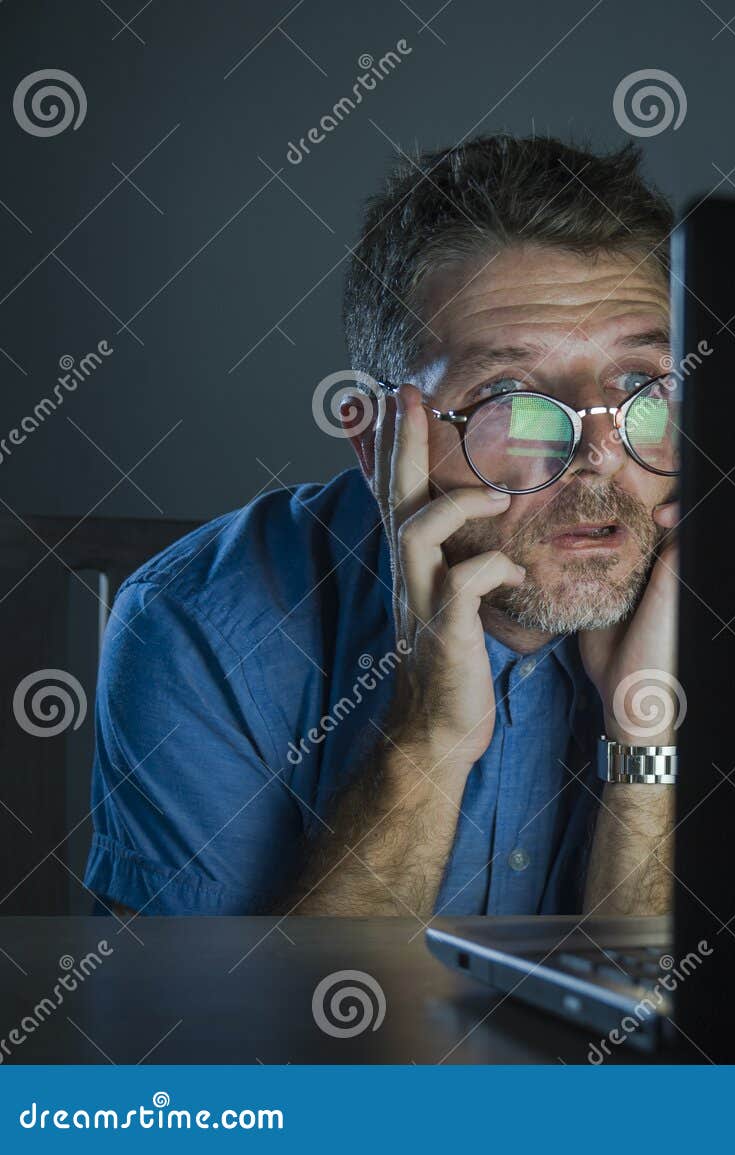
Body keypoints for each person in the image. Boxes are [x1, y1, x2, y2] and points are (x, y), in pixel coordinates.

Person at [86, 134, 681, 918]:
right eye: (509, 396)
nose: (602, 453)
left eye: (641, 383)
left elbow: (679, 1032)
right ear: (377, 442)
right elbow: (233, 1038)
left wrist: (645, 738)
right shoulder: (195, 629)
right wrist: (428, 738)